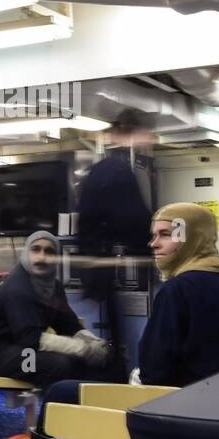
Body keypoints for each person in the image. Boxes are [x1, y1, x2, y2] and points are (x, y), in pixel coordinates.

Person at [0, 231, 125, 388]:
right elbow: (30, 338)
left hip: (29, 350)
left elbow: (69, 325)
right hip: (5, 357)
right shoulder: (17, 287)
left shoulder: (53, 286)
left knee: (110, 359)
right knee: (59, 364)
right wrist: (85, 349)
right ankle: (56, 409)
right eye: (35, 249)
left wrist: (98, 345)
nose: (42, 257)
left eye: (49, 251)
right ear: (26, 254)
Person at [76, 109, 152, 344]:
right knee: (117, 330)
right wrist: (150, 246)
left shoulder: (105, 169)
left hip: (99, 261)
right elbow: (132, 217)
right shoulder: (117, 170)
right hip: (104, 261)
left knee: (113, 327)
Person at [135, 203, 219, 386]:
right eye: (153, 236)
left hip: (189, 401)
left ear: (193, 237)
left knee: (64, 390)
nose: (153, 244)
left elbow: (155, 369)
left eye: (165, 234)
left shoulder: (179, 289)